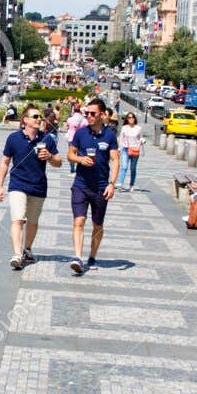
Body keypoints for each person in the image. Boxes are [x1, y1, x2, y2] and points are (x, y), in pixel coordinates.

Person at [0, 105, 60, 271]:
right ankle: (17, 255)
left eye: (40, 117)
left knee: (32, 221)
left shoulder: (47, 139)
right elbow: (5, 161)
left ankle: (27, 249)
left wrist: (50, 157)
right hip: (18, 184)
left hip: (38, 185)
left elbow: (59, 162)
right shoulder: (13, 138)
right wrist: (0, 186)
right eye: (35, 116)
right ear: (25, 120)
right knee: (18, 219)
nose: (39, 119)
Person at [67, 98, 119, 275]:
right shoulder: (81, 133)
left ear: (102, 115)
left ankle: (92, 256)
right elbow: (70, 155)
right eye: (86, 113)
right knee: (79, 220)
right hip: (81, 185)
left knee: (98, 225)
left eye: (92, 113)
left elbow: (116, 160)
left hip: (101, 187)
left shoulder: (110, 136)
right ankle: (77, 257)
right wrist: (80, 159)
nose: (88, 116)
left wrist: (112, 184)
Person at [117, 112, 143, 190]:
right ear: (127, 119)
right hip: (125, 149)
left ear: (135, 118)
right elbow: (121, 138)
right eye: (129, 117)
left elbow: (141, 137)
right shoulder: (124, 127)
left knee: (133, 168)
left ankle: (131, 184)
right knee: (124, 167)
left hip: (135, 149)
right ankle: (120, 183)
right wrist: (120, 148)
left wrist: (142, 140)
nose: (131, 119)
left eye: (132, 117)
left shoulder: (138, 128)